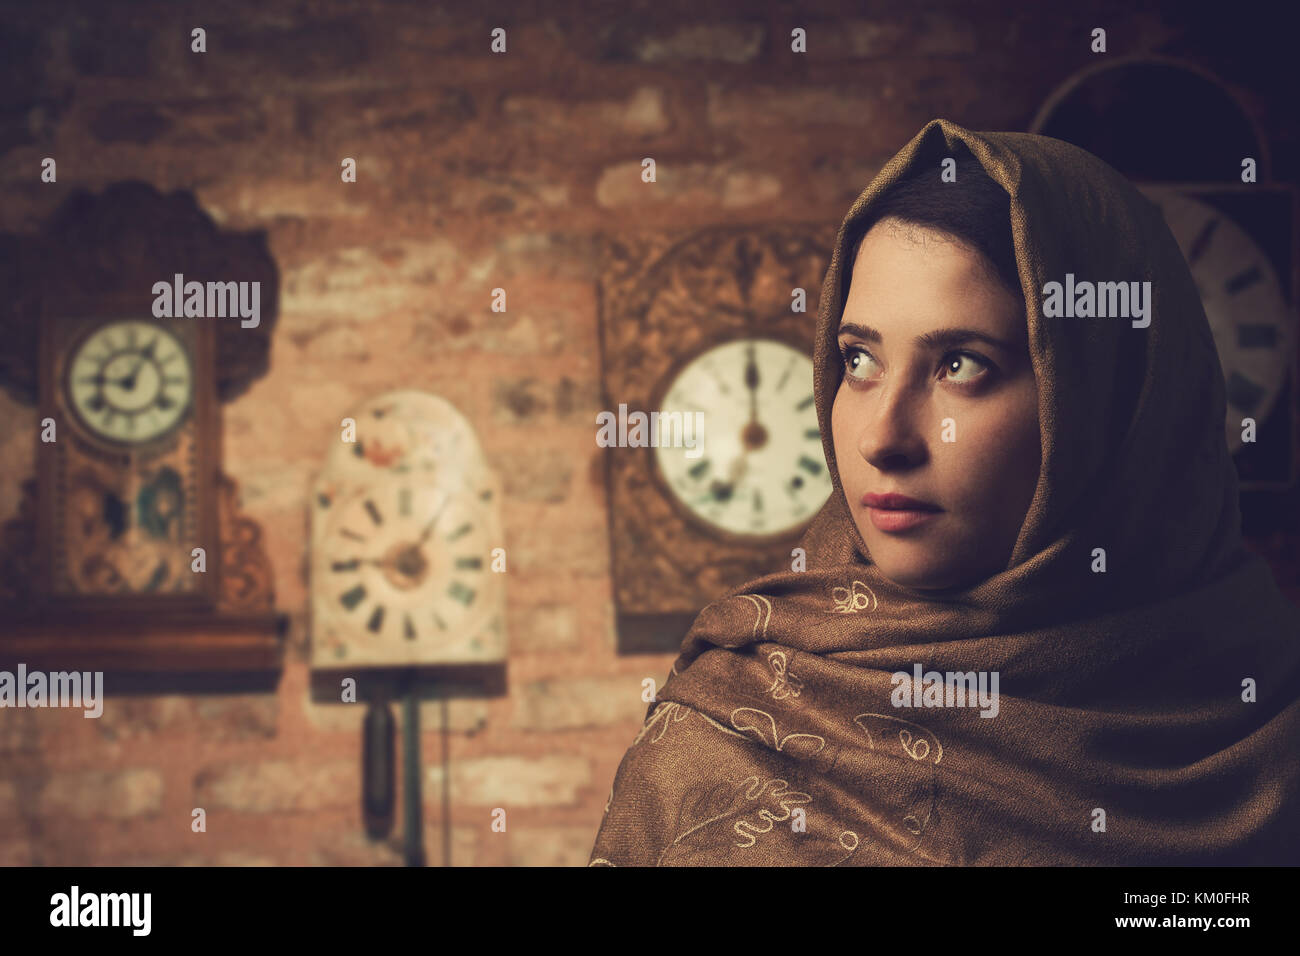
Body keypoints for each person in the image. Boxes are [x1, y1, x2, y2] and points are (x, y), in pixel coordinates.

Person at [588, 117, 1300, 866]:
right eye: (859, 360)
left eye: (960, 365)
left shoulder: (1264, 713)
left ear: (1106, 399)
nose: (880, 437)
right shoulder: (726, 734)